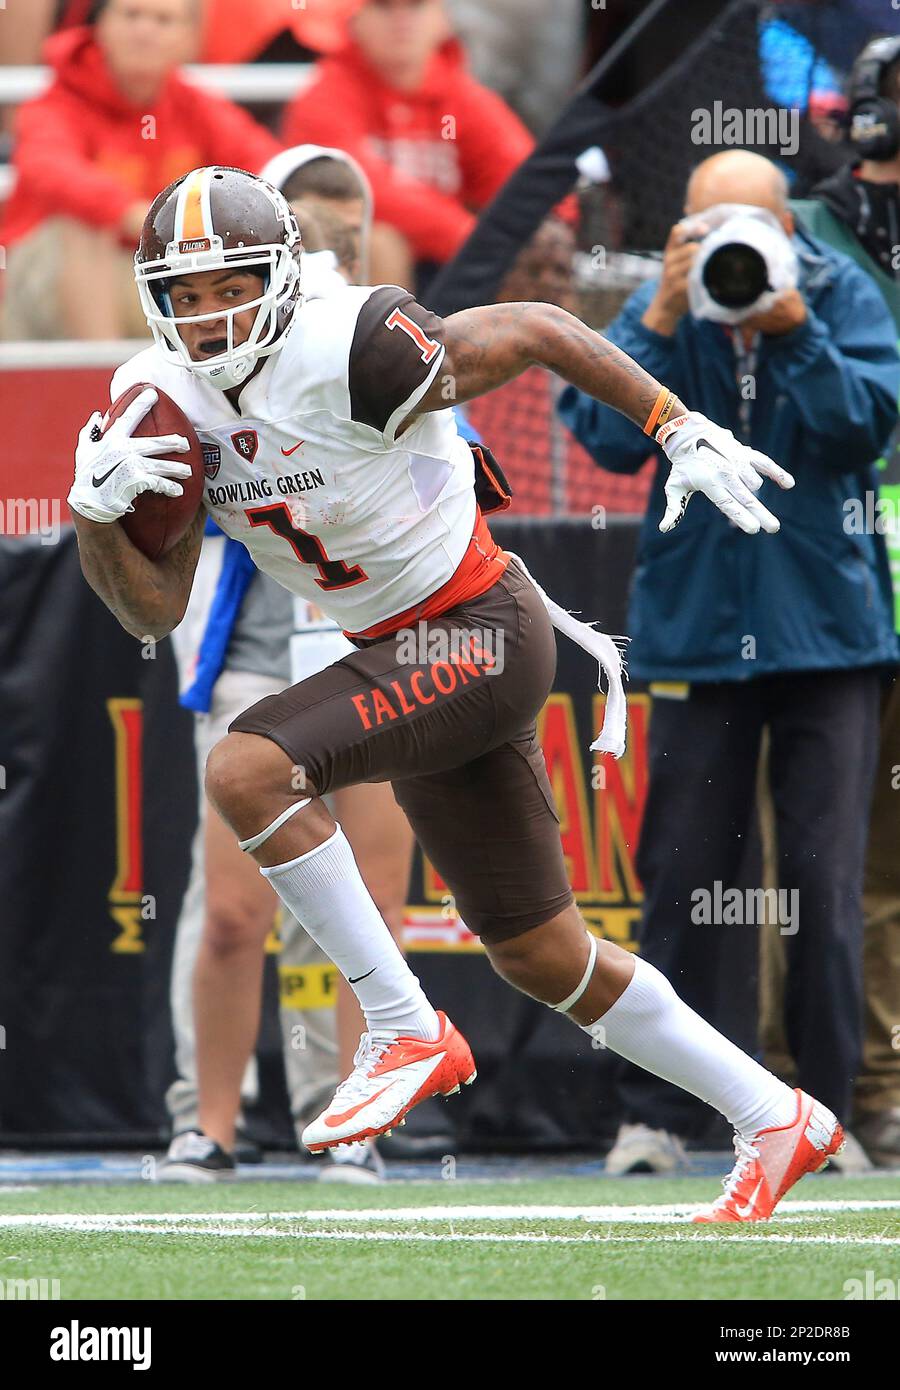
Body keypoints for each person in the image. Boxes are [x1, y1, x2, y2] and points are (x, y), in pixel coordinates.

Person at [68, 163, 839, 1224]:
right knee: (542, 953)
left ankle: (400, 1022)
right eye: (187, 294)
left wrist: (676, 425)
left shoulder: (355, 342)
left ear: (283, 273)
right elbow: (151, 614)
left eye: (232, 283)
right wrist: (93, 515)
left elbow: (533, 326)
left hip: (479, 629)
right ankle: (775, 1114)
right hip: (411, 654)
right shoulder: (156, 401)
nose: (211, 315)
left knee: (246, 764)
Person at [558, 150, 899, 1175]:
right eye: (710, 234)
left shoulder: (844, 298)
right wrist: (658, 314)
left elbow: (867, 426)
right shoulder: (666, 314)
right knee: (681, 875)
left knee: (823, 883)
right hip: (701, 637)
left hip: (830, 638)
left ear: (793, 233)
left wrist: (792, 332)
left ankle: (825, 1115)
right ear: (680, 235)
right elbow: (596, 438)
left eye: (753, 231)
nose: (735, 254)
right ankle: (654, 1115)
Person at [159, 146, 415, 1184]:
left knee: (369, 901)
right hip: (258, 645)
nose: (334, 226)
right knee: (231, 906)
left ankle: (352, 1116)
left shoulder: (388, 337)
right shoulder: (198, 361)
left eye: (349, 208)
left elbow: (454, 486)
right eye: (310, 214)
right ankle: (207, 1122)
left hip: (374, 642)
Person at [787, 35, 900, 1167]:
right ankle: (829, 1091)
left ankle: (874, 1086)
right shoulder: (805, 231)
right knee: (836, 856)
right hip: (841, 570)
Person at [0, 0, 278, 340]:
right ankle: (102, 379)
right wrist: (139, 216)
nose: (145, 30)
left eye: (163, 20)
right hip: (41, 290)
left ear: (190, 38)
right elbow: (48, 167)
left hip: (154, 277)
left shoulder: (196, 106)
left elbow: (266, 165)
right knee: (85, 226)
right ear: (99, 26)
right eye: (131, 15)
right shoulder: (58, 102)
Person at [280, 0, 534, 288]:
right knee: (380, 244)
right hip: (358, 273)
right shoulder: (325, 96)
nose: (401, 20)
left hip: (450, 263)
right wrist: (469, 237)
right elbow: (364, 191)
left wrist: (536, 235)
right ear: (353, 19)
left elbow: (527, 183)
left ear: (443, 19)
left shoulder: (465, 97)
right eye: (383, 6)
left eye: (416, 5)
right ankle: (381, 334)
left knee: (532, 246)